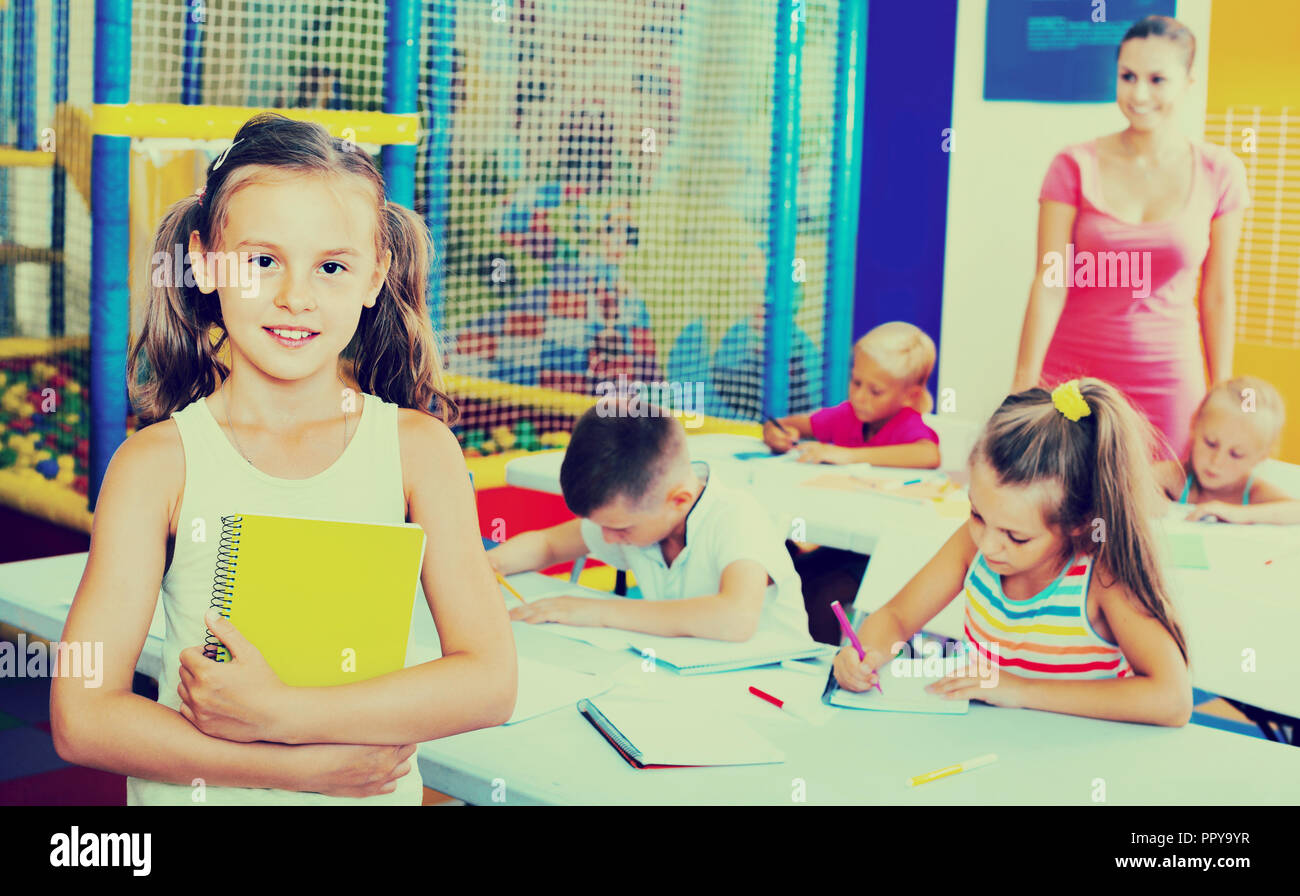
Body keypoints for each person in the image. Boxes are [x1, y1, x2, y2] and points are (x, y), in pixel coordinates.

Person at [50, 113, 516, 805]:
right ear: (206, 261)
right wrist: (296, 766)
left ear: (373, 275)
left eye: (332, 266)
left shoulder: (420, 454)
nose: (295, 296)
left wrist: (281, 717)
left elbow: (489, 682)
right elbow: (81, 716)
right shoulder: (156, 467)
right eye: (262, 261)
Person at [834, 379, 1192, 727]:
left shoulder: (1101, 575)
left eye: (1016, 537)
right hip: (982, 747)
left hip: (1073, 759)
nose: (988, 544)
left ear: (1079, 523)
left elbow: (1172, 699)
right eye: (976, 514)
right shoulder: (978, 539)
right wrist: (863, 654)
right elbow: (897, 616)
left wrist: (1020, 690)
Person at [1012, 15, 1249, 461]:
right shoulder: (1072, 165)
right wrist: (1022, 384)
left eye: (1158, 79)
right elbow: (1050, 281)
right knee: (1060, 508)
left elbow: (1217, 294)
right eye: (1128, 76)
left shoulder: (1222, 172)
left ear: (1188, 82)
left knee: (1157, 512)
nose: (1139, 94)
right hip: (1073, 377)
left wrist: (1223, 395)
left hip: (1169, 381)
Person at [489, 402, 809, 641]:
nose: (608, 538)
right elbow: (548, 544)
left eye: (619, 528)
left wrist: (597, 611)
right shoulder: (643, 515)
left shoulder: (737, 517)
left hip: (775, 692)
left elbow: (736, 617)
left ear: (679, 500)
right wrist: (491, 563)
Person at [1155, 376, 1300, 524]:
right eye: (1210, 443)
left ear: (1261, 457)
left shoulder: (1252, 493)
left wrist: (1240, 514)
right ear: (1194, 425)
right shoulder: (1178, 477)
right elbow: (1138, 479)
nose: (1216, 461)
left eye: (1236, 454)